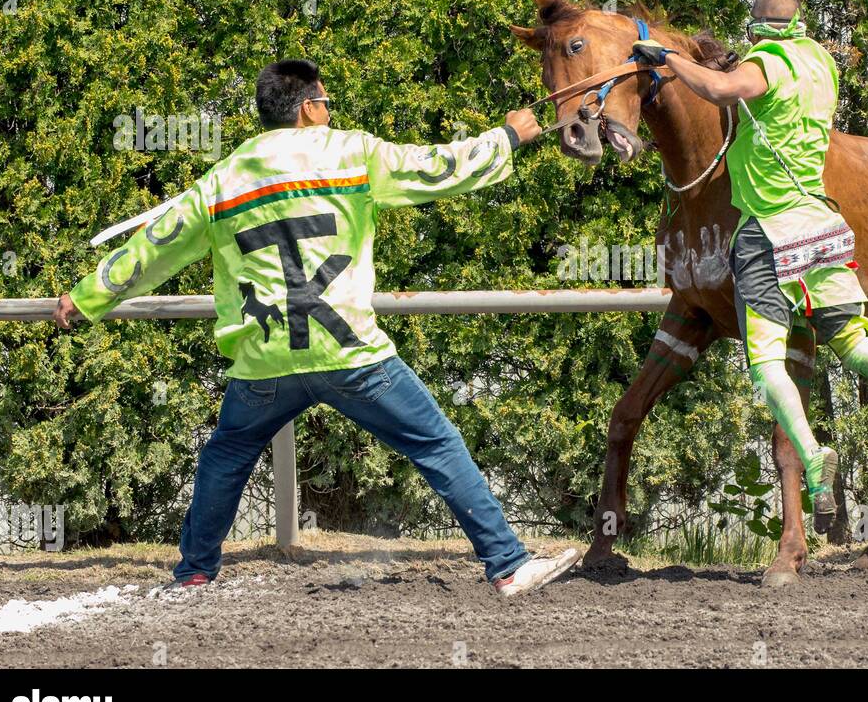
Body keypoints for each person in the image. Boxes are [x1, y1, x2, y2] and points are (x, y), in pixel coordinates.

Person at [54, 59, 579, 597]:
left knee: (227, 455)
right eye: (327, 103)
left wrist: (87, 297)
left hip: (264, 360)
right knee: (437, 444)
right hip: (352, 354)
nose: (330, 112)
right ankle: (508, 564)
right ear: (309, 107)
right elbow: (435, 168)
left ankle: (193, 571)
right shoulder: (353, 153)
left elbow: (155, 247)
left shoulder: (221, 178)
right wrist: (508, 137)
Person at [632, 0, 868, 543]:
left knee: (767, 363)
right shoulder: (820, 63)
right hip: (823, 226)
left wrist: (667, 59)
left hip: (767, 234)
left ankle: (814, 458)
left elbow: (720, 89)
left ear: (757, 29)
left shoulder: (764, 64)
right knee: (856, 346)